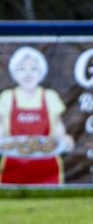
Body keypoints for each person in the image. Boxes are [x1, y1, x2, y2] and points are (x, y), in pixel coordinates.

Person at [0, 46, 74, 185]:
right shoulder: (7, 97)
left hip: (48, 169)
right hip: (12, 168)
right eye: (22, 69)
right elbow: (3, 130)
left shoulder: (50, 96)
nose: (28, 74)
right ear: (14, 73)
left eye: (34, 69)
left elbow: (58, 130)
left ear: (42, 74)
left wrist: (65, 140)